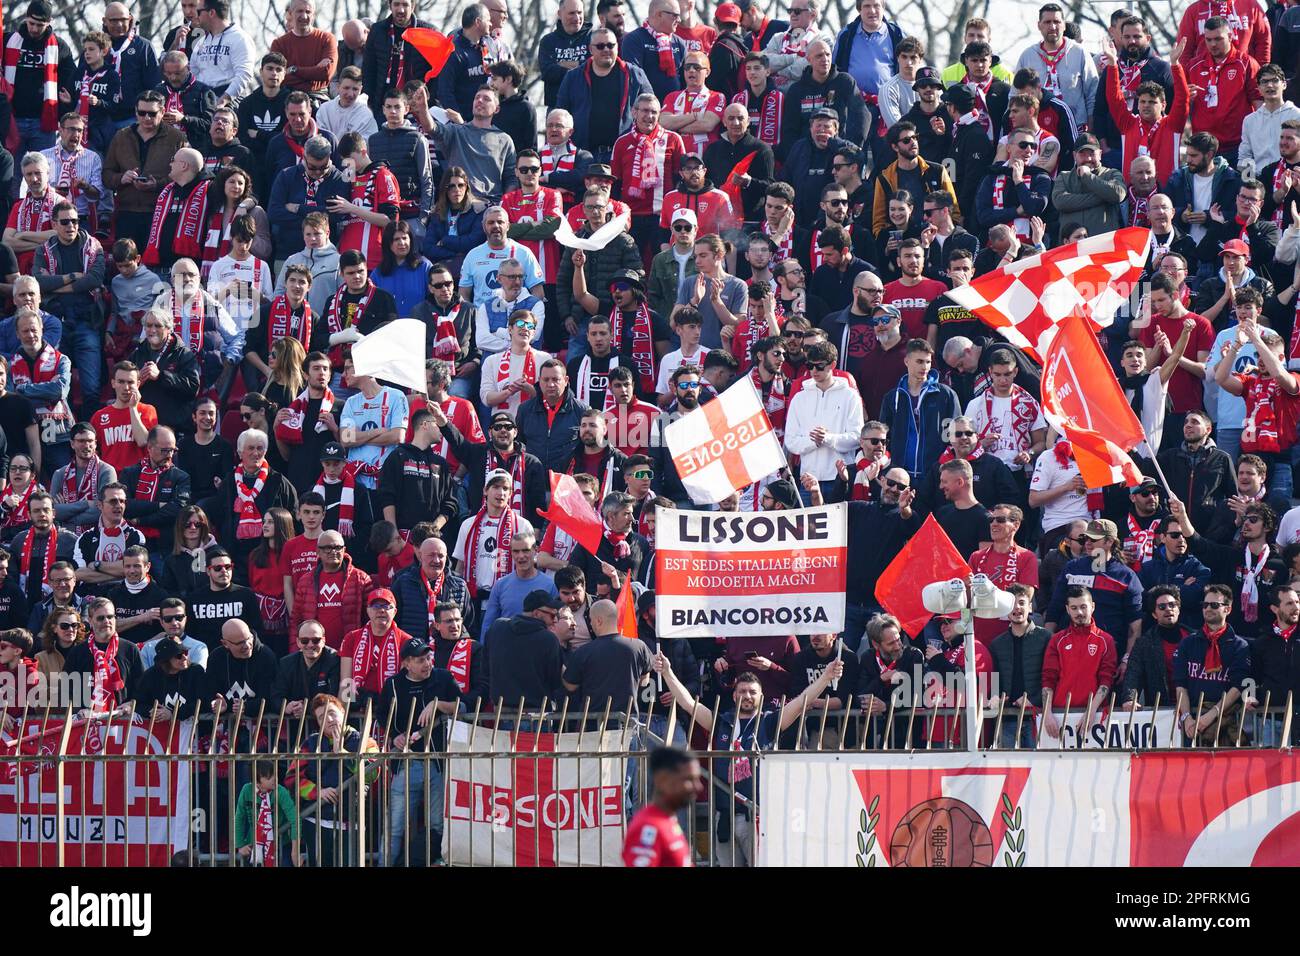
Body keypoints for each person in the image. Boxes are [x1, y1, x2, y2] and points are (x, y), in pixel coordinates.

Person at [653, 647, 843, 866]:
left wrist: (827, 676)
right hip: (724, 816)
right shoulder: (722, 723)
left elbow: (801, 702)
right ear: (734, 695)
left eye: (753, 692)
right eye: (742, 691)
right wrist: (667, 672)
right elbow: (688, 703)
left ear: (761, 696)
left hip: (757, 816)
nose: (747, 696)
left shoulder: (770, 722)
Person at [610, 93, 687, 263]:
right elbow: (615, 183)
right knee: (631, 264)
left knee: (663, 264)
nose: (649, 116)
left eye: (654, 112)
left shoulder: (673, 139)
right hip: (631, 215)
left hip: (661, 216)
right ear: (634, 112)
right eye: (645, 111)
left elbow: (681, 179)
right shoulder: (622, 142)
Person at [1173, 583, 1252, 744]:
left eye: (1214, 605)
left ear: (1227, 609)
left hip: (1226, 722)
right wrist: (1186, 717)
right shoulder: (1188, 643)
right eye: (1205, 605)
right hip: (1193, 724)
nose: (1208, 608)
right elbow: (1180, 685)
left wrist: (1211, 716)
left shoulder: (1239, 646)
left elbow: (1237, 688)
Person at [1039, 586, 1119, 741]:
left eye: (1083, 607)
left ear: (1092, 607)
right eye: (1074, 608)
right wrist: (1047, 713)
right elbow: (1049, 677)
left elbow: (1106, 679)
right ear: (1067, 610)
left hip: (1094, 716)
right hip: (1059, 715)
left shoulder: (1105, 640)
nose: (1079, 613)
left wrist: (1092, 710)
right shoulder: (1057, 640)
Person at [1185, 17, 1260, 166]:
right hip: (1204, 147)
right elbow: (1182, 108)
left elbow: (1259, 105)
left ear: (1230, 37)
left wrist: (1256, 142)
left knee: (1240, 188)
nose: (1213, 44)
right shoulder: (1194, 66)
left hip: (1238, 146)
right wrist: (1187, 98)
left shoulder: (1246, 63)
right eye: (1208, 39)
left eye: (1218, 39)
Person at [426, 86, 516, 205]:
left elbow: (511, 179)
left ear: (497, 109)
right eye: (477, 97)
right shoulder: (456, 131)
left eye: (486, 99)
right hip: (459, 205)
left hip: (490, 207)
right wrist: (423, 109)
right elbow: (432, 128)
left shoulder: (505, 140)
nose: (479, 101)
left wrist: (504, 206)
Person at [289, 531, 371, 649]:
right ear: (318, 551)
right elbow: (296, 620)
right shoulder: (305, 581)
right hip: (314, 652)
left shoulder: (361, 579)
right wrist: (295, 650)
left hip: (350, 652)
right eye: (327, 548)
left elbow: (369, 620)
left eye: (337, 547)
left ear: (344, 550)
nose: (333, 551)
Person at [62, 595, 143, 713]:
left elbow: (143, 688)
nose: (106, 621)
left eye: (110, 617)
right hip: (87, 722)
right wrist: (78, 709)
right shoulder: (77, 652)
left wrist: (131, 705)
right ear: (90, 620)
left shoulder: (130, 649)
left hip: (122, 720)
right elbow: (65, 690)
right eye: (100, 618)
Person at [623, 745, 699, 867]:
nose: (698, 787)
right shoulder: (647, 828)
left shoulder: (668, 822)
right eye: (688, 779)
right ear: (663, 780)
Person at [393, 535, 473, 641]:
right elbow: (394, 622)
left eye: (441, 556)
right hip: (414, 653)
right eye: (431, 555)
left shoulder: (459, 586)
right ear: (420, 556)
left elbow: (469, 626)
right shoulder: (403, 582)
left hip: (448, 653)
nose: (436, 560)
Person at [191, 0, 256, 105]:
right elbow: (192, 73)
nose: (196, 16)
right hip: (203, 100)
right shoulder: (201, 42)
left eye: (198, 12)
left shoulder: (240, 38)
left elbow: (244, 74)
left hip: (229, 101)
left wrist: (224, 99)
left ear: (211, 13)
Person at [271, 0, 336, 101]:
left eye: (308, 12)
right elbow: (276, 77)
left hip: (318, 99)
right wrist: (314, 71)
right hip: (287, 99)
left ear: (313, 15)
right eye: (299, 11)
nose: (304, 16)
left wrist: (293, 70)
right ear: (291, 14)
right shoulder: (279, 44)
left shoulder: (326, 39)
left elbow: (326, 73)